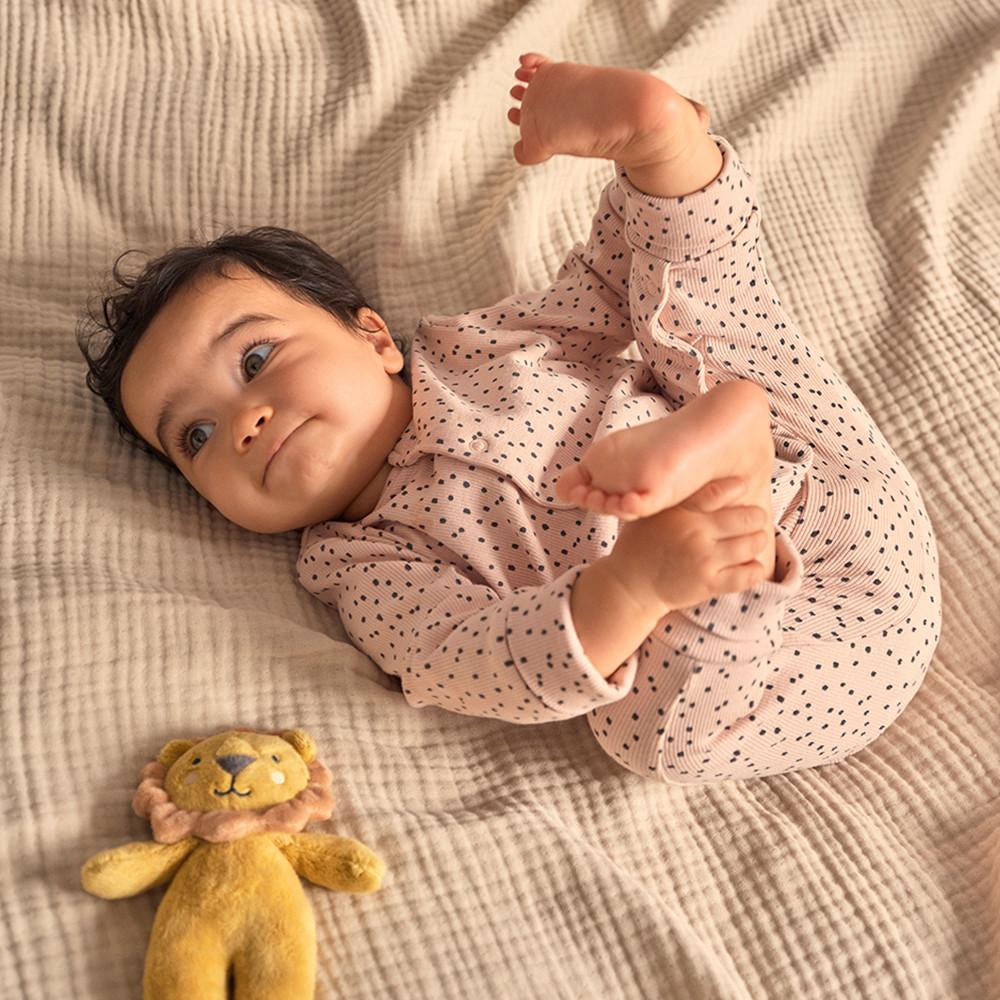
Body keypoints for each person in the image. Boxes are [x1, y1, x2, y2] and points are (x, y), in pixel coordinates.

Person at [78, 54, 941, 784]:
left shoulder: (485, 345)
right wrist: (633, 587)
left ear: (374, 337)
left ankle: (664, 148)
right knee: (649, 724)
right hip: (774, 643)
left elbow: (607, 284)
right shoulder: (368, 565)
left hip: (826, 484)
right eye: (193, 436)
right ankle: (720, 480)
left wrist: (642, 194)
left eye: (256, 359)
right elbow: (486, 656)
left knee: (702, 323)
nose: (245, 422)